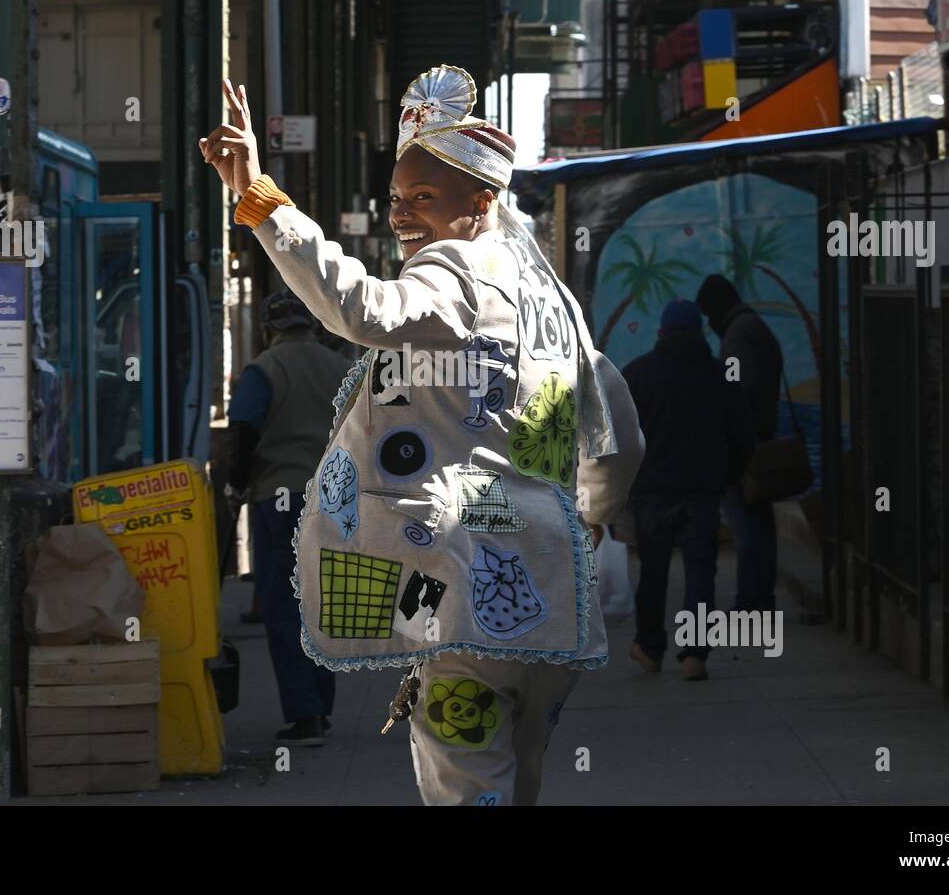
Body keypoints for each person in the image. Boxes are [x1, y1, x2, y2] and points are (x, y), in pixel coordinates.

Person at [202, 65, 643, 805]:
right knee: (514, 779)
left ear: (483, 202)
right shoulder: (550, 302)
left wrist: (259, 198)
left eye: (425, 199)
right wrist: (592, 520)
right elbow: (618, 434)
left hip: (462, 590)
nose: (404, 216)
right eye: (398, 200)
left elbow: (360, 307)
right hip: (553, 593)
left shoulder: (455, 270)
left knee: (467, 787)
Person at [225, 288, 353, 746]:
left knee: (285, 604)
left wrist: (234, 484)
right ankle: (322, 704)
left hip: (281, 498)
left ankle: (306, 716)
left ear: (267, 329)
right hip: (337, 500)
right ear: (313, 322)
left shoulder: (264, 369)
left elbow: (242, 428)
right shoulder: (342, 368)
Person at [620, 300, 753, 681]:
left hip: (653, 492)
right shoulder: (720, 376)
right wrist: (729, 476)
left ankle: (649, 647)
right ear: (700, 332)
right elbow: (742, 437)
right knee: (700, 573)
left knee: (653, 572)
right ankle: (694, 655)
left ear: (662, 332)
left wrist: (625, 483)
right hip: (703, 491)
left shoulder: (638, 375)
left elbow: (620, 437)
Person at [695, 274, 783, 613]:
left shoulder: (739, 334)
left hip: (746, 446)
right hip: (758, 436)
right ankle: (759, 597)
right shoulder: (751, 326)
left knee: (748, 525)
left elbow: (737, 391)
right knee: (758, 524)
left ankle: (751, 600)